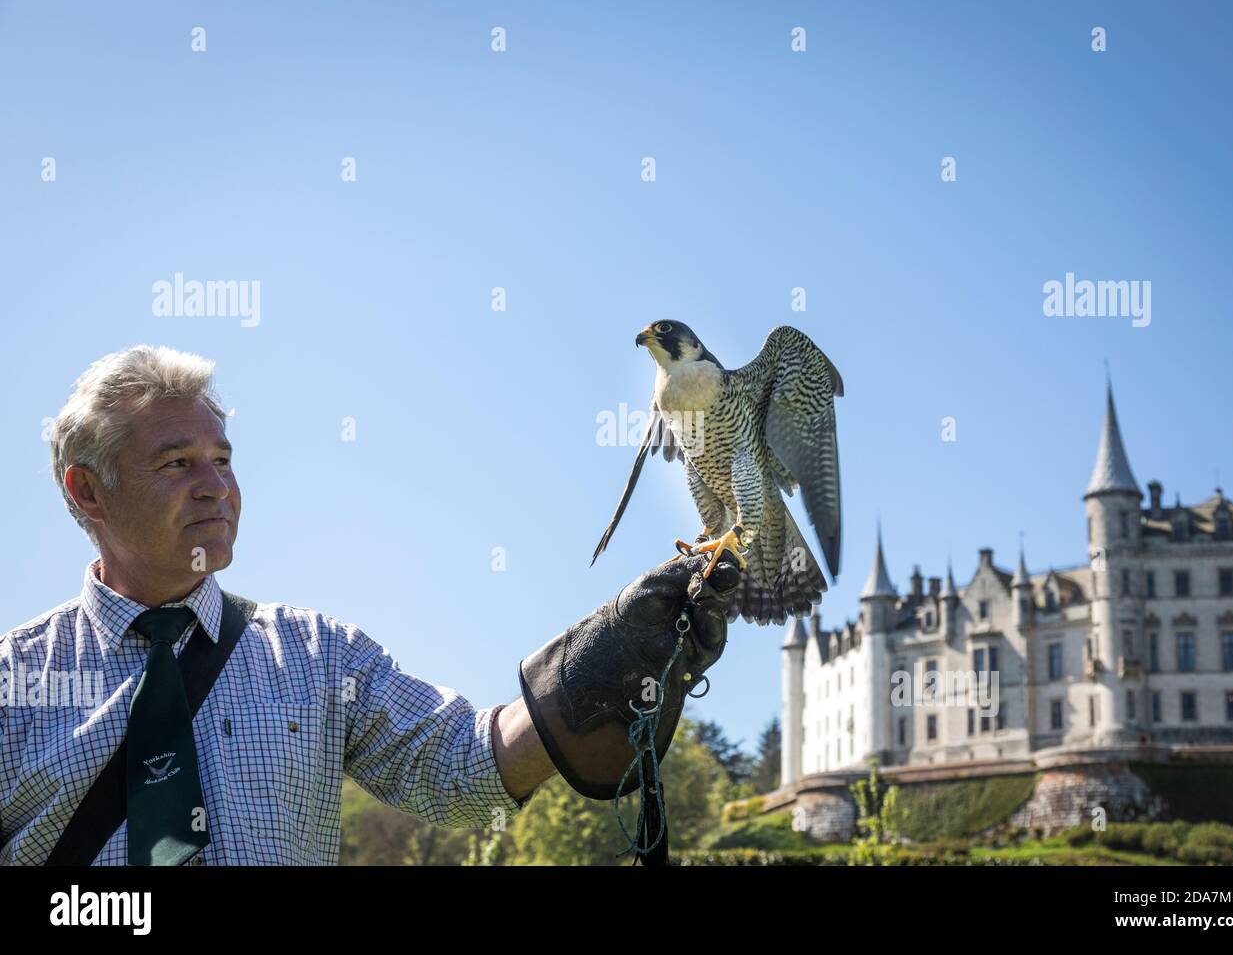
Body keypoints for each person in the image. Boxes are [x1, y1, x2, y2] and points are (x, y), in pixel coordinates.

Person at [0, 345, 738, 865]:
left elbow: (461, 770)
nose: (215, 486)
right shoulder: (14, 685)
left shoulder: (320, 656)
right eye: (176, 463)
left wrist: (596, 666)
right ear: (87, 490)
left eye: (223, 459)